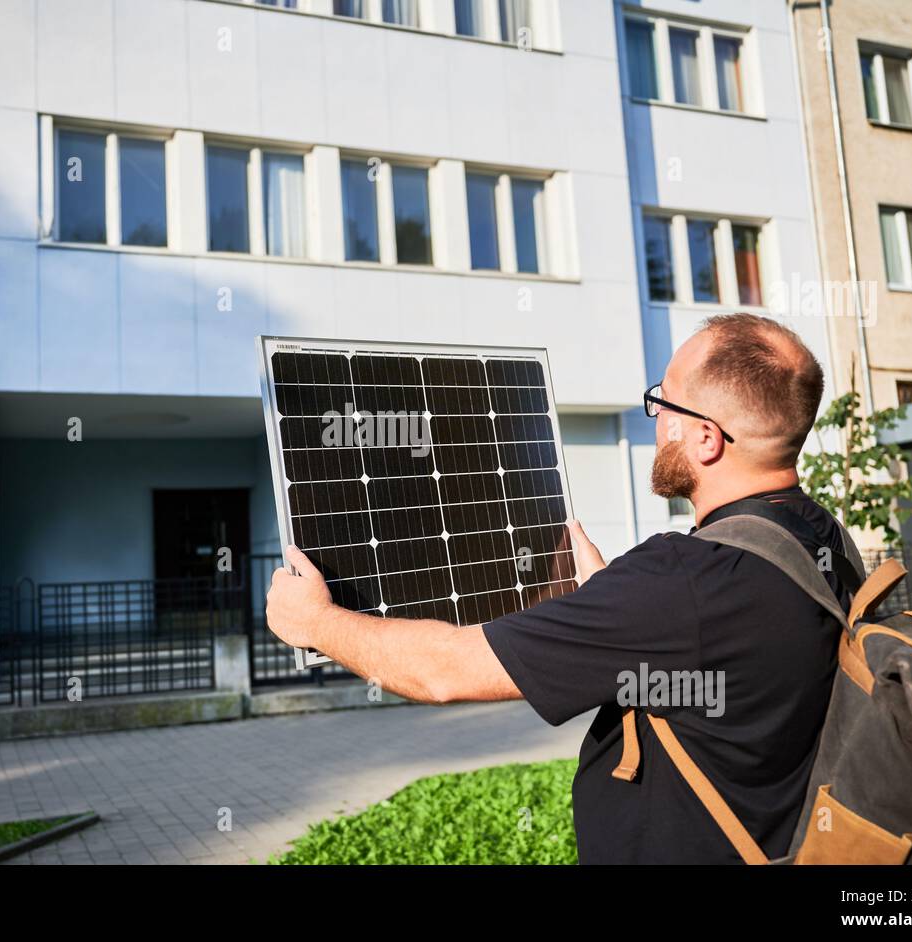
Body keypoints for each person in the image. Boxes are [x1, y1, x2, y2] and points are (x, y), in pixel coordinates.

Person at [265, 312, 853, 863]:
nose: (655, 421)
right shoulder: (824, 541)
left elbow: (442, 672)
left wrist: (315, 622)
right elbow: (716, 648)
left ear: (705, 438)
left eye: (662, 402)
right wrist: (605, 596)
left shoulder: (680, 582)